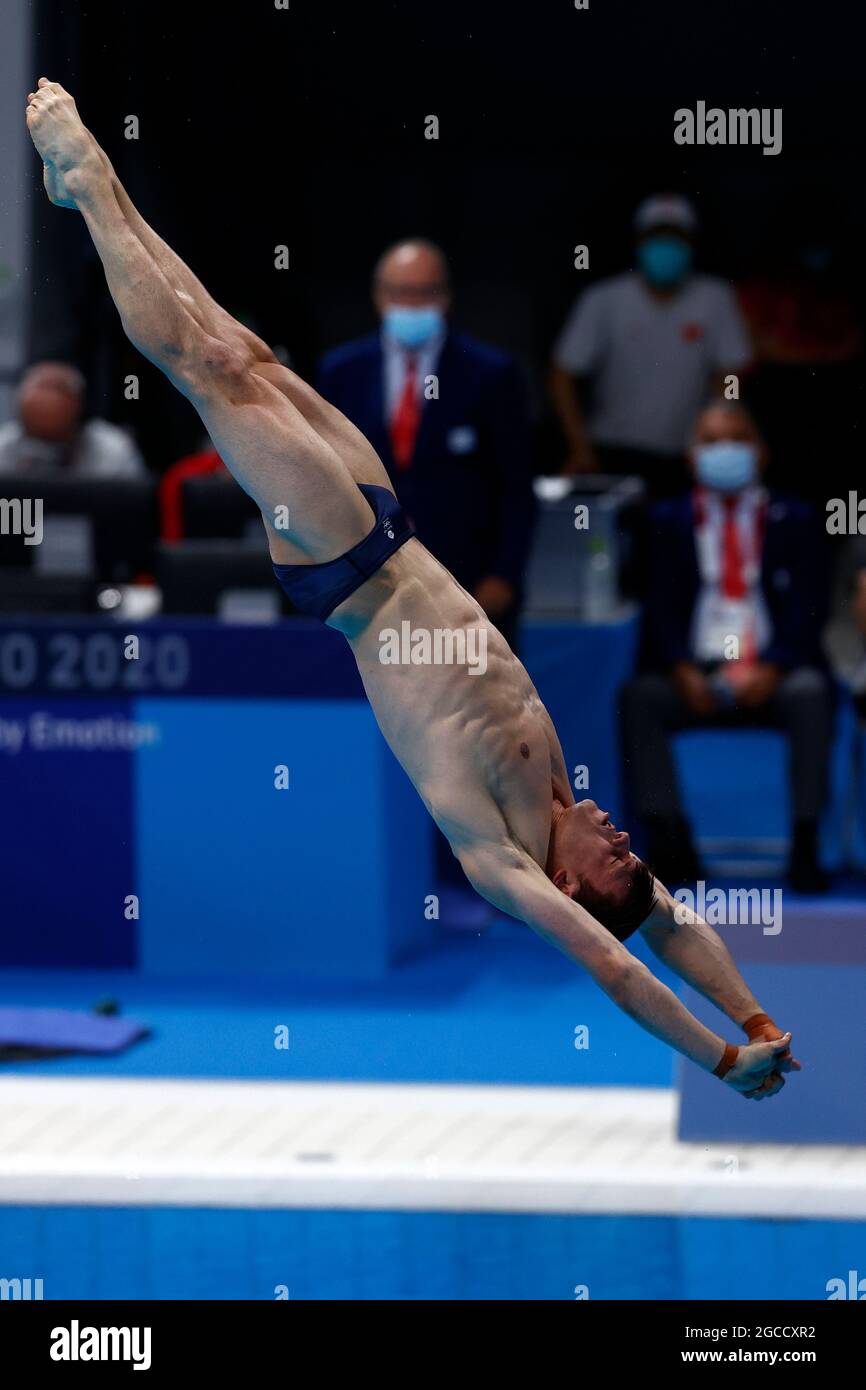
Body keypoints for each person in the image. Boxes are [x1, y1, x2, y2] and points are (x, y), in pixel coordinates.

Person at [27, 78, 798, 1101]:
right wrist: (751, 1013)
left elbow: (615, 959)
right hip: (391, 528)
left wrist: (717, 1062)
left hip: (347, 573)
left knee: (204, 368)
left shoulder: (502, 860)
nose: (620, 839)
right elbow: (669, 922)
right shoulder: (573, 819)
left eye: (614, 863)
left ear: (568, 886)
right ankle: (87, 190)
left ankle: (86, 176)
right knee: (244, 353)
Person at [621, 401, 831, 892]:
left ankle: (805, 841)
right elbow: (656, 603)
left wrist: (774, 668)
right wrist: (680, 667)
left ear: (760, 453)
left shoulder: (794, 518)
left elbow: (810, 606)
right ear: (692, 458)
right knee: (640, 698)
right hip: (693, 671)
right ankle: (671, 839)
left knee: (811, 694)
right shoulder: (665, 519)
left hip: (772, 672)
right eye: (711, 441)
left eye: (736, 439)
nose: (724, 451)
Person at [316, 239, 534, 647]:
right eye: (401, 293)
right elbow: (322, 478)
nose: (413, 304)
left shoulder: (493, 374)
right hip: (367, 585)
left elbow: (517, 488)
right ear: (379, 296)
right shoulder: (340, 372)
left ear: (446, 297)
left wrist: (504, 576)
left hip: (471, 589)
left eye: (425, 292)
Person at [550, 194, 752, 497]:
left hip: (685, 455)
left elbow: (732, 371)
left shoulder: (716, 298)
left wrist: (718, 440)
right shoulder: (604, 299)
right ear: (639, 242)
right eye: (657, 237)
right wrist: (579, 447)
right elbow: (562, 374)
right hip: (612, 448)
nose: (666, 248)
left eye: (676, 238)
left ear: (691, 244)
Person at [0, 360, 145, 478]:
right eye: (39, 439)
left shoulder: (112, 450)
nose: (46, 453)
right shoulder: (3, 447)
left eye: (55, 438)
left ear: (79, 410)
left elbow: (131, 508)